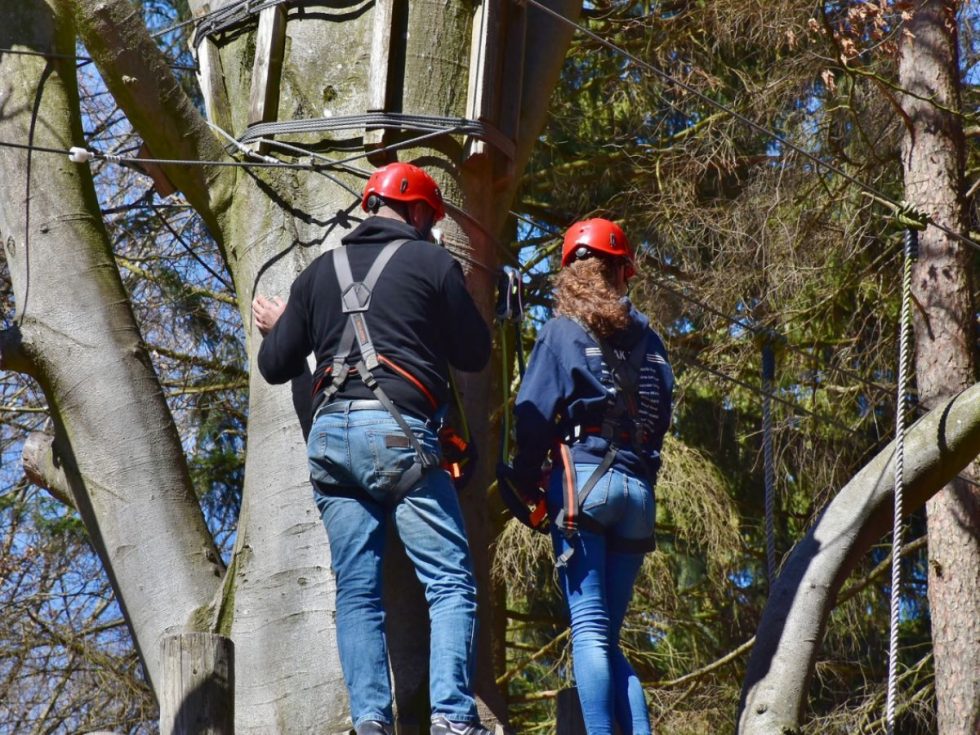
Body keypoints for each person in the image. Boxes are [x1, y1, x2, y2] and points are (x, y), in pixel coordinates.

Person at [254, 162, 493, 735]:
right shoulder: (433, 263)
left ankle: (369, 722)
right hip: (397, 434)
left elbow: (275, 364)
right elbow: (474, 352)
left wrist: (288, 325)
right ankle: (452, 717)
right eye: (430, 218)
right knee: (451, 583)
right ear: (418, 211)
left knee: (357, 591)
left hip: (330, 441)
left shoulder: (318, 273)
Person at [500, 218, 673, 735]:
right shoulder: (653, 344)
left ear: (571, 272)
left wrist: (526, 478)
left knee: (591, 633)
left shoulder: (562, 332)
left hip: (584, 486)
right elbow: (661, 417)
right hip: (637, 491)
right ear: (622, 272)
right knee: (607, 639)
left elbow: (532, 415)